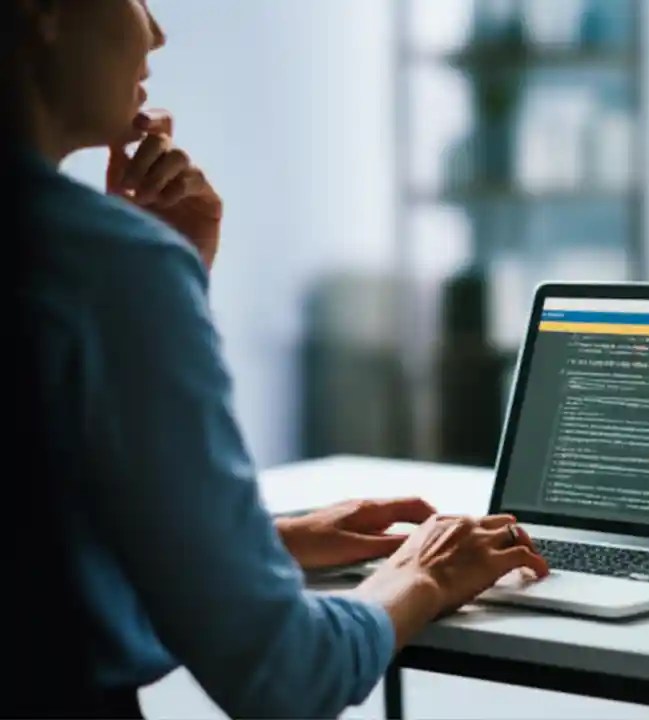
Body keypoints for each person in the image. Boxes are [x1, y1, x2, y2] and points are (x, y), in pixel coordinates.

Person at [7, 0, 549, 716]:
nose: (157, 32)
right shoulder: (105, 266)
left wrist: (260, 545)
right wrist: (421, 575)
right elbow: (283, 676)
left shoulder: (103, 266)